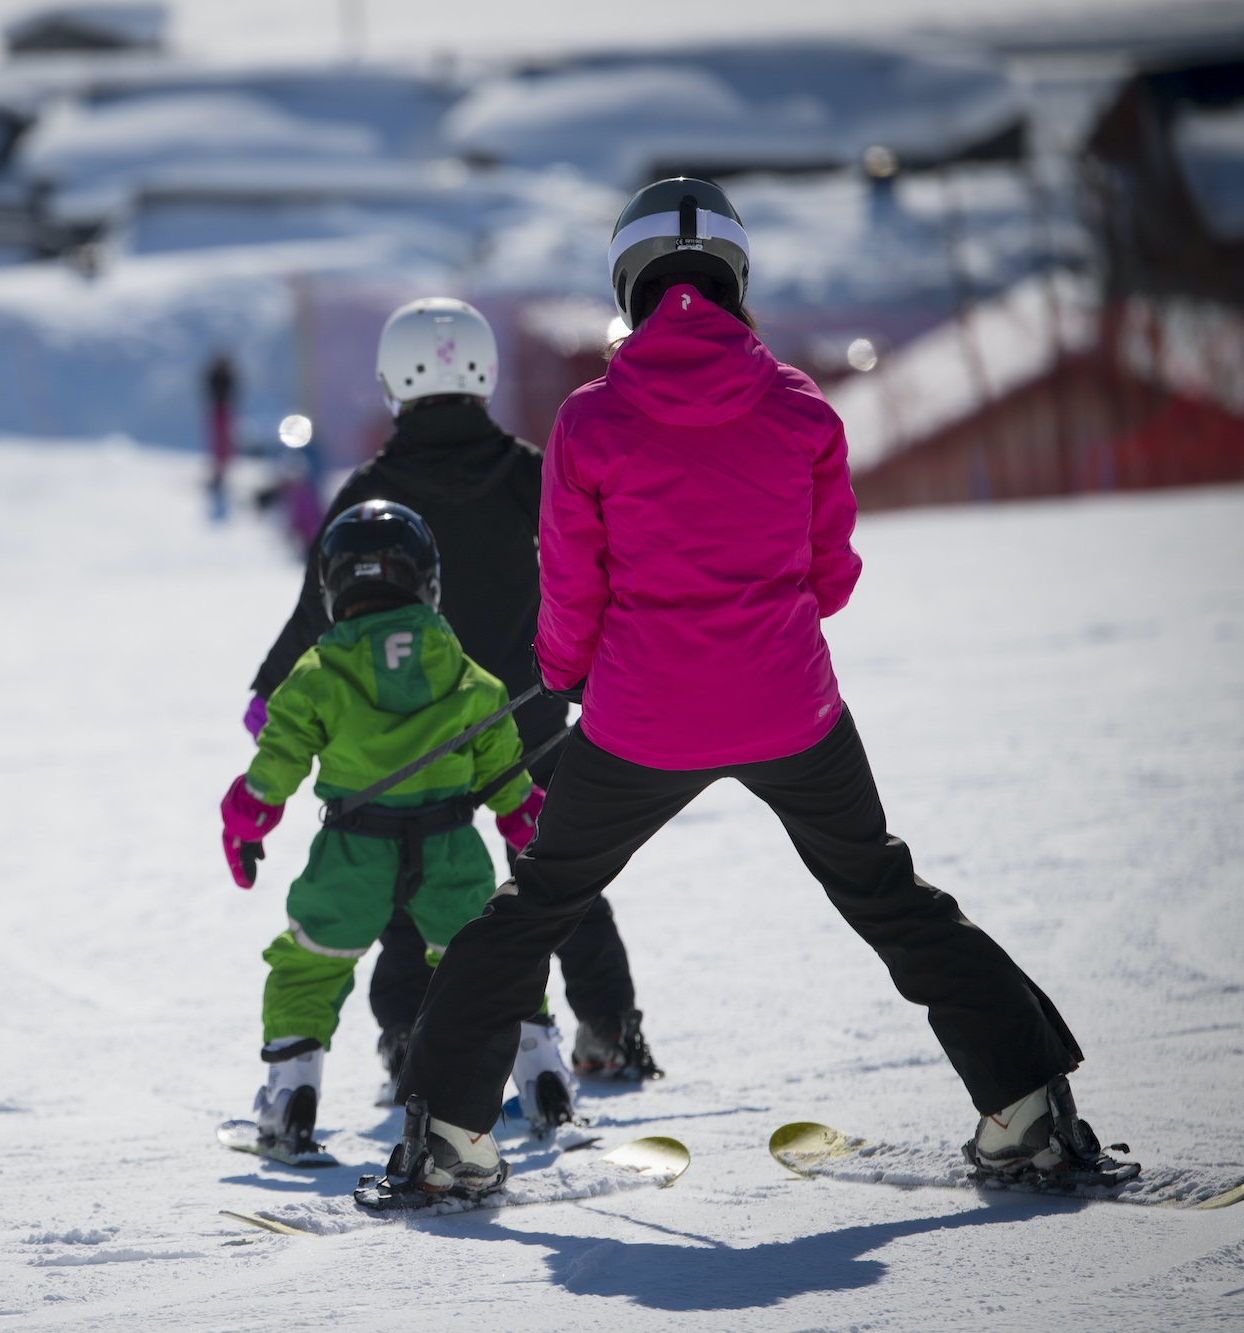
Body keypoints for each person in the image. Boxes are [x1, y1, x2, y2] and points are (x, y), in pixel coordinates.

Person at [376, 178, 1124, 1204]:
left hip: (639, 719)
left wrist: (566, 674)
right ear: (732, 280)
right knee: (884, 890)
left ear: (631, 288)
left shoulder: (590, 421)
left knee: (539, 902)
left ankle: (449, 1137)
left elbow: (569, 590)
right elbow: (833, 578)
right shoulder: (797, 406)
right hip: (789, 710)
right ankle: (1028, 1111)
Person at [248, 298, 661, 1100]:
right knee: (556, 875)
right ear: (484, 374)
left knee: (408, 879)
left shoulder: (370, 489)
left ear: (393, 381)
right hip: (527, 714)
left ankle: (412, 1039)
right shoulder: (528, 471)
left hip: (413, 734)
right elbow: (599, 564)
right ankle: (607, 1028)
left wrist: (271, 691)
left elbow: (316, 608)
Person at [221, 501, 580, 1159]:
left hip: (353, 851)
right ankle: (545, 1082)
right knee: (493, 962)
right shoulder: (460, 666)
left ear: (334, 585)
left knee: (309, 964)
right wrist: (522, 813)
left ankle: (290, 1100)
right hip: (451, 848)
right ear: (426, 578)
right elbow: (500, 754)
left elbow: (281, 750)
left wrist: (249, 813)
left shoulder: (319, 669)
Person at [205, 353, 237, 521]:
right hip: (218, 411)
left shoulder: (225, 379)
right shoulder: (216, 379)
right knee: (218, 446)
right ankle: (218, 475)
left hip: (224, 411)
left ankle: (222, 474)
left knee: (224, 446)